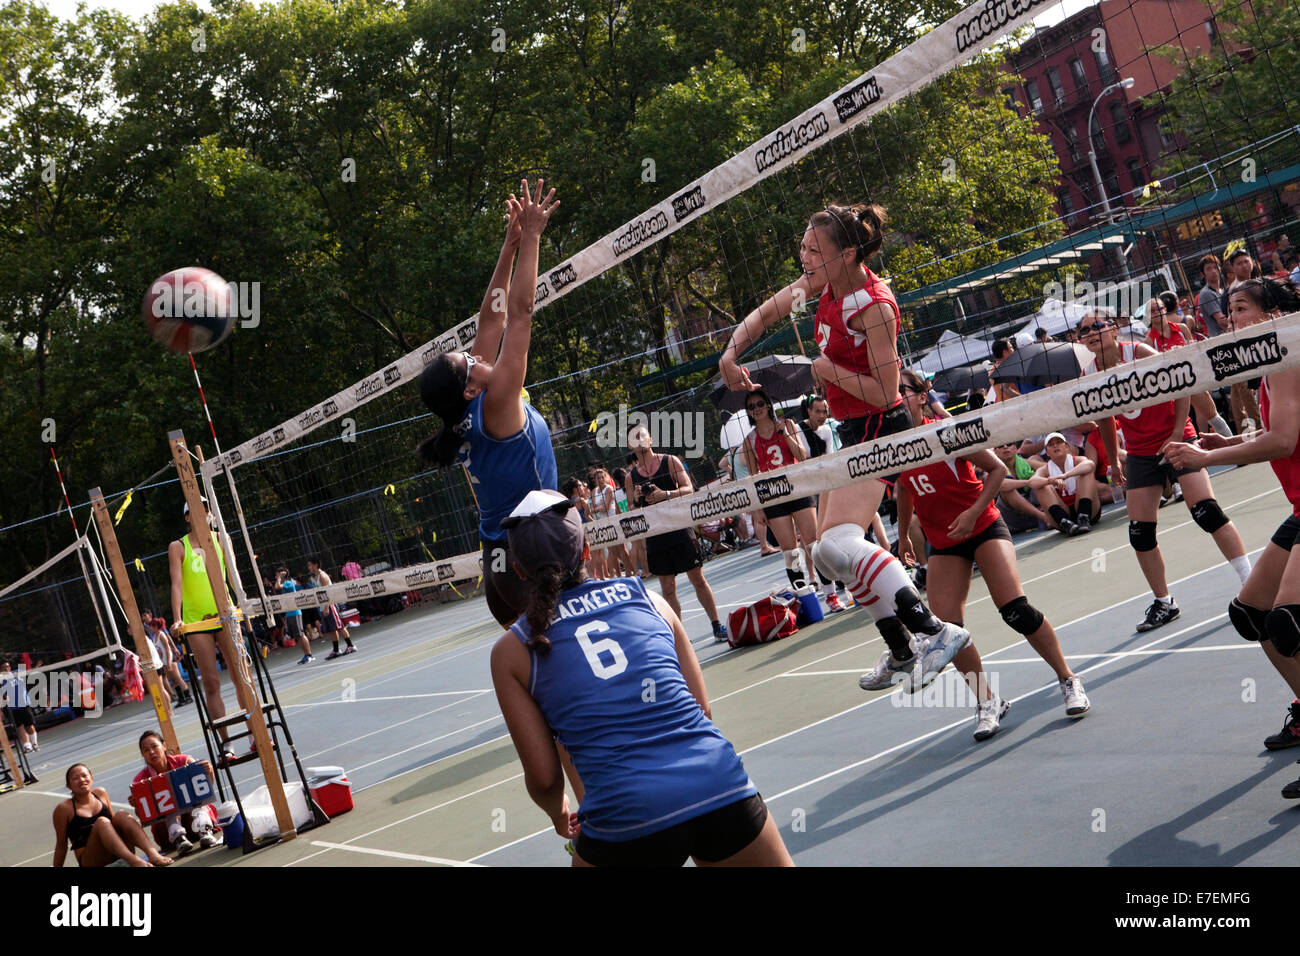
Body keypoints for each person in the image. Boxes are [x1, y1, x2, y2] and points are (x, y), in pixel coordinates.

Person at [719, 202, 968, 692]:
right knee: (827, 556)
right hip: (852, 430)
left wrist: (824, 369)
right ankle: (901, 649)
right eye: (803, 249)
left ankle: (935, 631)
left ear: (847, 252)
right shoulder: (824, 283)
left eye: (813, 250)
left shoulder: (875, 306)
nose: (804, 258)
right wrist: (731, 352)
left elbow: (883, 391)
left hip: (882, 424)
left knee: (837, 543)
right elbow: (769, 311)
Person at [490, 490, 793, 866]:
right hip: (718, 784)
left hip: (625, 817)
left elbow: (545, 779)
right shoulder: (652, 600)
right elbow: (702, 710)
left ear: (519, 571)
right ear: (587, 551)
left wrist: (558, 813)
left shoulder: (513, 650)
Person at [893, 369, 1090, 738]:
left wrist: (971, 513)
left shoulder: (947, 432)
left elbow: (997, 471)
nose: (895, 399)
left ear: (921, 396)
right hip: (945, 541)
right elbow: (904, 491)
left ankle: (1068, 678)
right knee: (947, 631)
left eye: (901, 391)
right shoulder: (894, 446)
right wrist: (903, 536)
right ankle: (988, 702)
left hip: (982, 525)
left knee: (1015, 610)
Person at [1165, 276, 1300, 792]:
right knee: (1253, 613)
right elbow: (1283, 431)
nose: (1229, 318)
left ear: (1273, 313)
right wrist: (1236, 437)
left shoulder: (1287, 355)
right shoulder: (1269, 367)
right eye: (1227, 309)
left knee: (1290, 620)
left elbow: (1285, 440)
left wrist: (1208, 456)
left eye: (1240, 308)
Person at [417, 179, 559, 628]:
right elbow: (519, 314)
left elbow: (493, 316)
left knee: (536, 667)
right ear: (469, 389)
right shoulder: (498, 400)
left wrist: (510, 243)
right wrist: (533, 238)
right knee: (561, 664)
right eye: (471, 360)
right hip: (533, 552)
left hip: (497, 561)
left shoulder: (472, 406)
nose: (479, 354)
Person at [1079, 309, 1251, 633]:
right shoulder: (1090, 374)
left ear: (1114, 329)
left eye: (1096, 326)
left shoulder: (1139, 353)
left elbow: (1181, 385)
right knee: (1140, 533)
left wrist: (1176, 435)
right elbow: (1104, 417)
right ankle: (1164, 602)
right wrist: (1114, 460)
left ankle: (1250, 580)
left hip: (1177, 434)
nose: (1090, 333)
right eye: (1083, 330)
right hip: (1141, 452)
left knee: (1205, 511)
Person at [625, 425, 728, 641]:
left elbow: (689, 488)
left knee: (698, 579)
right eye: (634, 438)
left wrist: (665, 494)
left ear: (650, 439)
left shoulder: (669, 461)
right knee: (668, 589)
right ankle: (679, 637)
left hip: (680, 529)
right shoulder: (631, 477)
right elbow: (632, 510)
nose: (640, 440)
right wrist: (636, 499)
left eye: (642, 435)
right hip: (656, 535)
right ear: (629, 445)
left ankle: (716, 624)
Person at [168, 496, 240, 763]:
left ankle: (257, 735)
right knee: (211, 682)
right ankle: (227, 743)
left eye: (205, 509)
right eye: (195, 511)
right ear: (187, 517)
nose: (201, 514)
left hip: (226, 614)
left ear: (210, 513)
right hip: (197, 621)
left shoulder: (222, 539)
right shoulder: (178, 547)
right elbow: (176, 584)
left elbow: (232, 574)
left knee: (240, 675)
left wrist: (245, 601)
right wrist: (177, 619)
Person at [740, 388, 820, 593]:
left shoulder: (787, 425)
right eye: (751, 407)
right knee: (790, 552)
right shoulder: (749, 440)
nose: (756, 409)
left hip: (798, 488)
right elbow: (753, 477)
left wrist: (783, 433)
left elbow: (801, 456)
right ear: (748, 412)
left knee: (813, 545)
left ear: (768, 404)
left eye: (760, 404)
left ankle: (830, 591)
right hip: (773, 497)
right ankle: (802, 594)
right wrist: (758, 509)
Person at [52, 764, 173, 867]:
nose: (82, 780)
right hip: (92, 860)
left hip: (117, 852)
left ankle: (152, 854)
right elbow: (61, 846)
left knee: (120, 815)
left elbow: (114, 824)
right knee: (102, 822)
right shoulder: (64, 809)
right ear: (69, 785)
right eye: (75, 778)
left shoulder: (101, 793)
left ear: (91, 778)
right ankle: (134, 861)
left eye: (84, 775)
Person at [1146, 295, 1232, 438]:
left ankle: (1225, 447)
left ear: (1165, 309)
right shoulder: (1149, 341)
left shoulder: (1182, 328)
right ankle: (1200, 452)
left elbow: (1195, 354)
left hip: (1192, 379)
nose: (1157, 312)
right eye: (1152, 311)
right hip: (1171, 389)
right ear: (1148, 316)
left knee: (1211, 415)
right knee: (1179, 428)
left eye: (1159, 308)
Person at [131, 730, 220, 856]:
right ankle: (178, 838)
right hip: (166, 830)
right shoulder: (139, 781)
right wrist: (137, 805)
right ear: (143, 755)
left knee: (196, 802)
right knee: (170, 807)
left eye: (154, 746)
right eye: (146, 750)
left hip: (192, 817)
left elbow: (205, 791)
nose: (151, 752)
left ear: (164, 746)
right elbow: (143, 815)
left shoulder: (185, 761)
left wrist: (209, 772)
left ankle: (204, 830)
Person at [1029, 433, 1100, 536]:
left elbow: (1090, 464)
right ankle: (1064, 521)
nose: (1055, 446)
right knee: (1041, 485)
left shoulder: (1078, 460)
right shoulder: (1045, 469)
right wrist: (1050, 480)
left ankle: (1084, 517)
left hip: (1089, 511)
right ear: (1047, 452)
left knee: (1085, 473)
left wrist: (1065, 475)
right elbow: (1032, 482)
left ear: (1066, 447)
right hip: (1064, 514)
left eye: (1058, 442)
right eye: (1051, 444)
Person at [991, 441, 1047, 534]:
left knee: (1042, 482)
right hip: (1010, 520)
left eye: (1009, 444)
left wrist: (1037, 476)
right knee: (1008, 490)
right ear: (995, 451)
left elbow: (1051, 468)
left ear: (1016, 448)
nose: (1005, 447)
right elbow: (1001, 484)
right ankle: (1044, 517)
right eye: (1000, 446)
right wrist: (1029, 482)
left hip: (1033, 511)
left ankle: (1050, 514)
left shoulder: (1028, 462)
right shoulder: (991, 469)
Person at [307, 558, 357, 659]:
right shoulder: (312, 578)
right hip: (322, 607)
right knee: (331, 629)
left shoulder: (323, 576)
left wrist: (326, 607)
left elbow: (328, 593)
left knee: (339, 626)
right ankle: (336, 650)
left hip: (330, 605)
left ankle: (351, 645)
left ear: (316, 565)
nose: (308, 567)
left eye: (310, 565)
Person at [276, 567, 311, 663]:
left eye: (278, 574)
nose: (276, 576)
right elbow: (277, 587)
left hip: (295, 612)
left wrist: (279, 577)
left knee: (301, 634)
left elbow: (277, 586)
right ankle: (305, 655)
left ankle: (309, 654)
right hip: (289, 613)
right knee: (297, 636)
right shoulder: (285, 584)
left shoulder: (288, 583)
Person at [0, 659, 37, 752]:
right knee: (19, 726)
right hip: (12, 707)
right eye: (3, 668)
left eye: (7, 666)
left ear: (10, 667)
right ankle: (27, 746)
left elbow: (31, 671)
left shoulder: (17, 672)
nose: (6, 669)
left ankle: (34, 743)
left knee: (29, 725)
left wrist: (37, 666)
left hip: (24, 703)